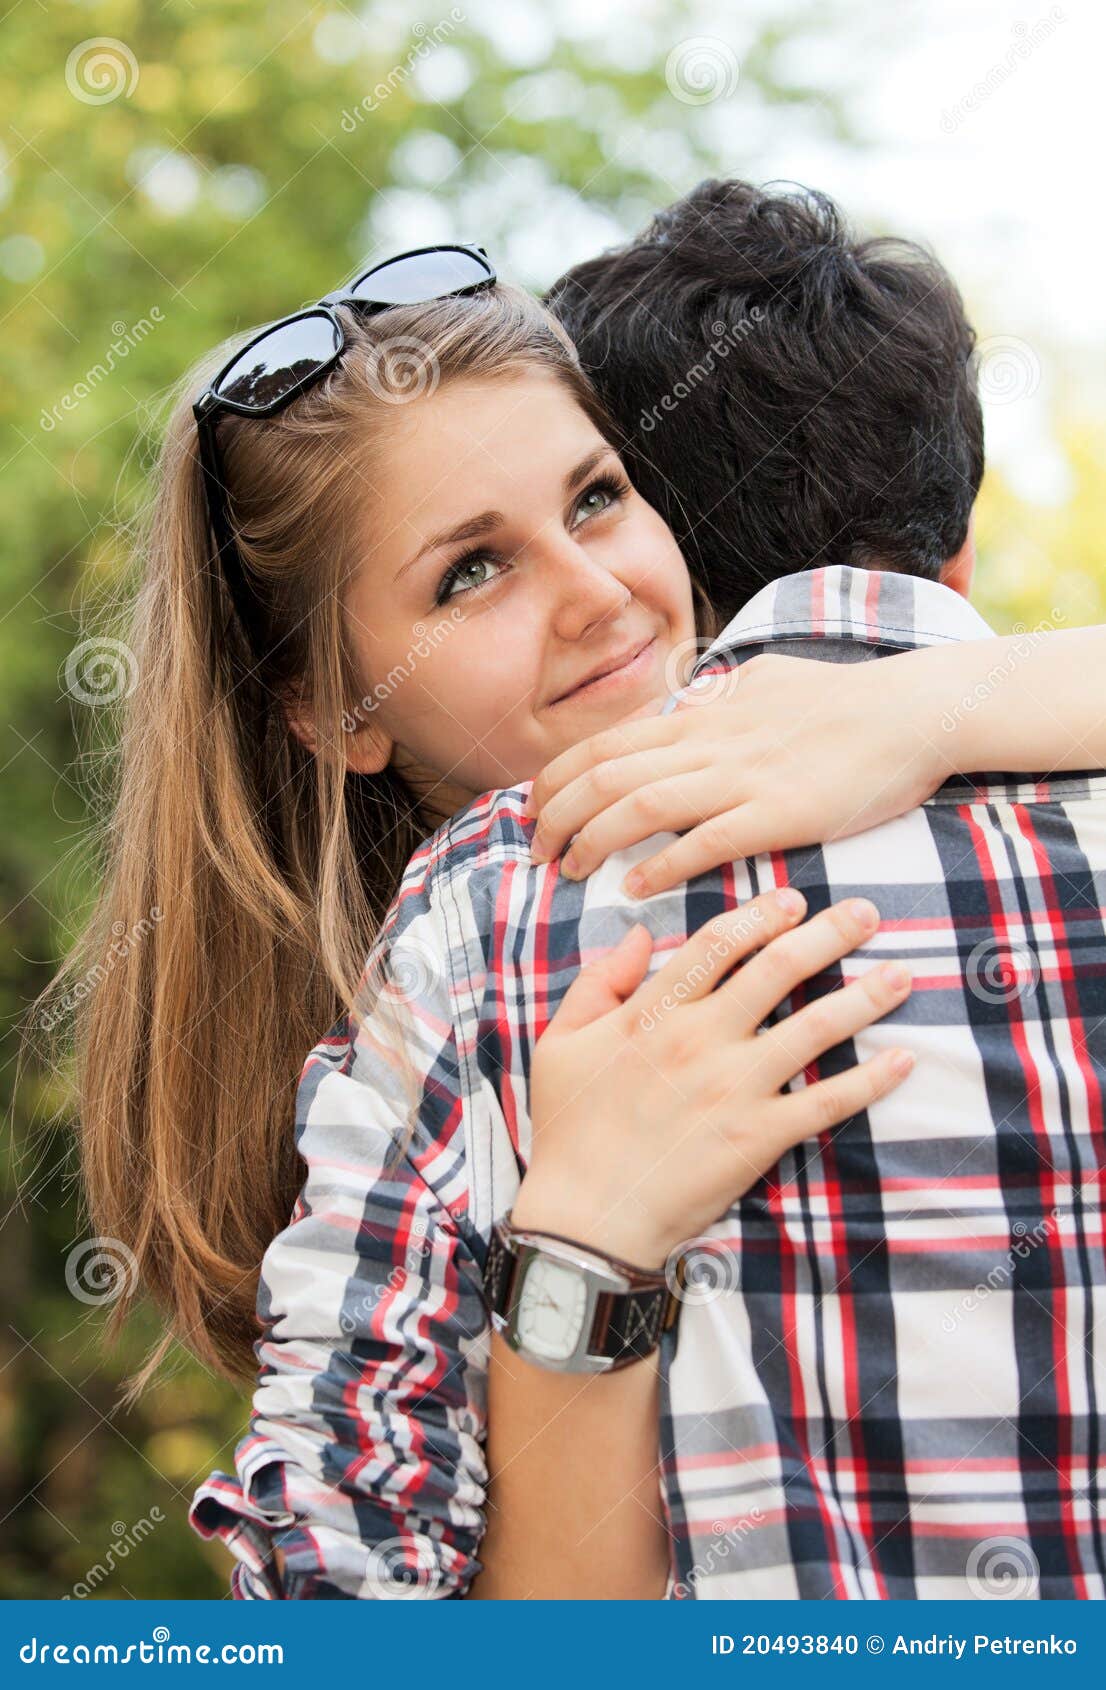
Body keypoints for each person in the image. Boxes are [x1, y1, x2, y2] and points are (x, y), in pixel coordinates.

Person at [185, 193, 1105, 1597]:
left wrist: (943, 705)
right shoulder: (449, 948)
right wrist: (587, 1241)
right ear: (327, 710)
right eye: (471, 571)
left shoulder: (470, 932)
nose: (597, 594)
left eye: (598, 497)